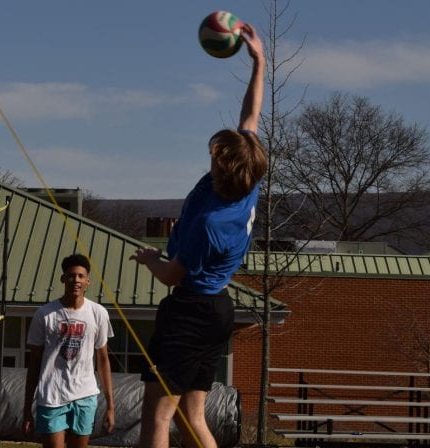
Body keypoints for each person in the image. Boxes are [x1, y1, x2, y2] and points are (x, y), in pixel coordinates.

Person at [130, 23, 267, 448]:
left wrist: (149, 258)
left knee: (157, 415)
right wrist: (259, 61)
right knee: (193, 414)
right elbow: (251, 115)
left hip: (190, 310)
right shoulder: (247, 181)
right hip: (217, 309)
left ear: (223, 168)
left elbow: (173, 276)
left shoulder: (211, 220)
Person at [24, 253, 115, 448]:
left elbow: (103, 360)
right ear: (63, 279)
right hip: (51, 396)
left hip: (85, 395)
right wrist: (26, 408)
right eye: (72, 275)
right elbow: (34, 363)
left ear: (88, 281)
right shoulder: (45, 314)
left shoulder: (98, 313)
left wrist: (110, 406)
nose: (76, 280)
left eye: (81, 276)